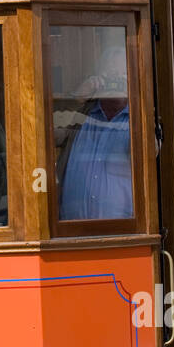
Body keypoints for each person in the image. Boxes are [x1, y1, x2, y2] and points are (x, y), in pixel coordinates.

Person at [57, 45, 133, 221]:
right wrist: (76, 97)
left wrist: (139, 98)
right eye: (109, 77)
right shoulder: (80, 116)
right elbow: (43, 127)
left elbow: (152, 150)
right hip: (69, 232)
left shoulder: (139, 120)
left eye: (121, 77)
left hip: (124, 236)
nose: (114, 83)